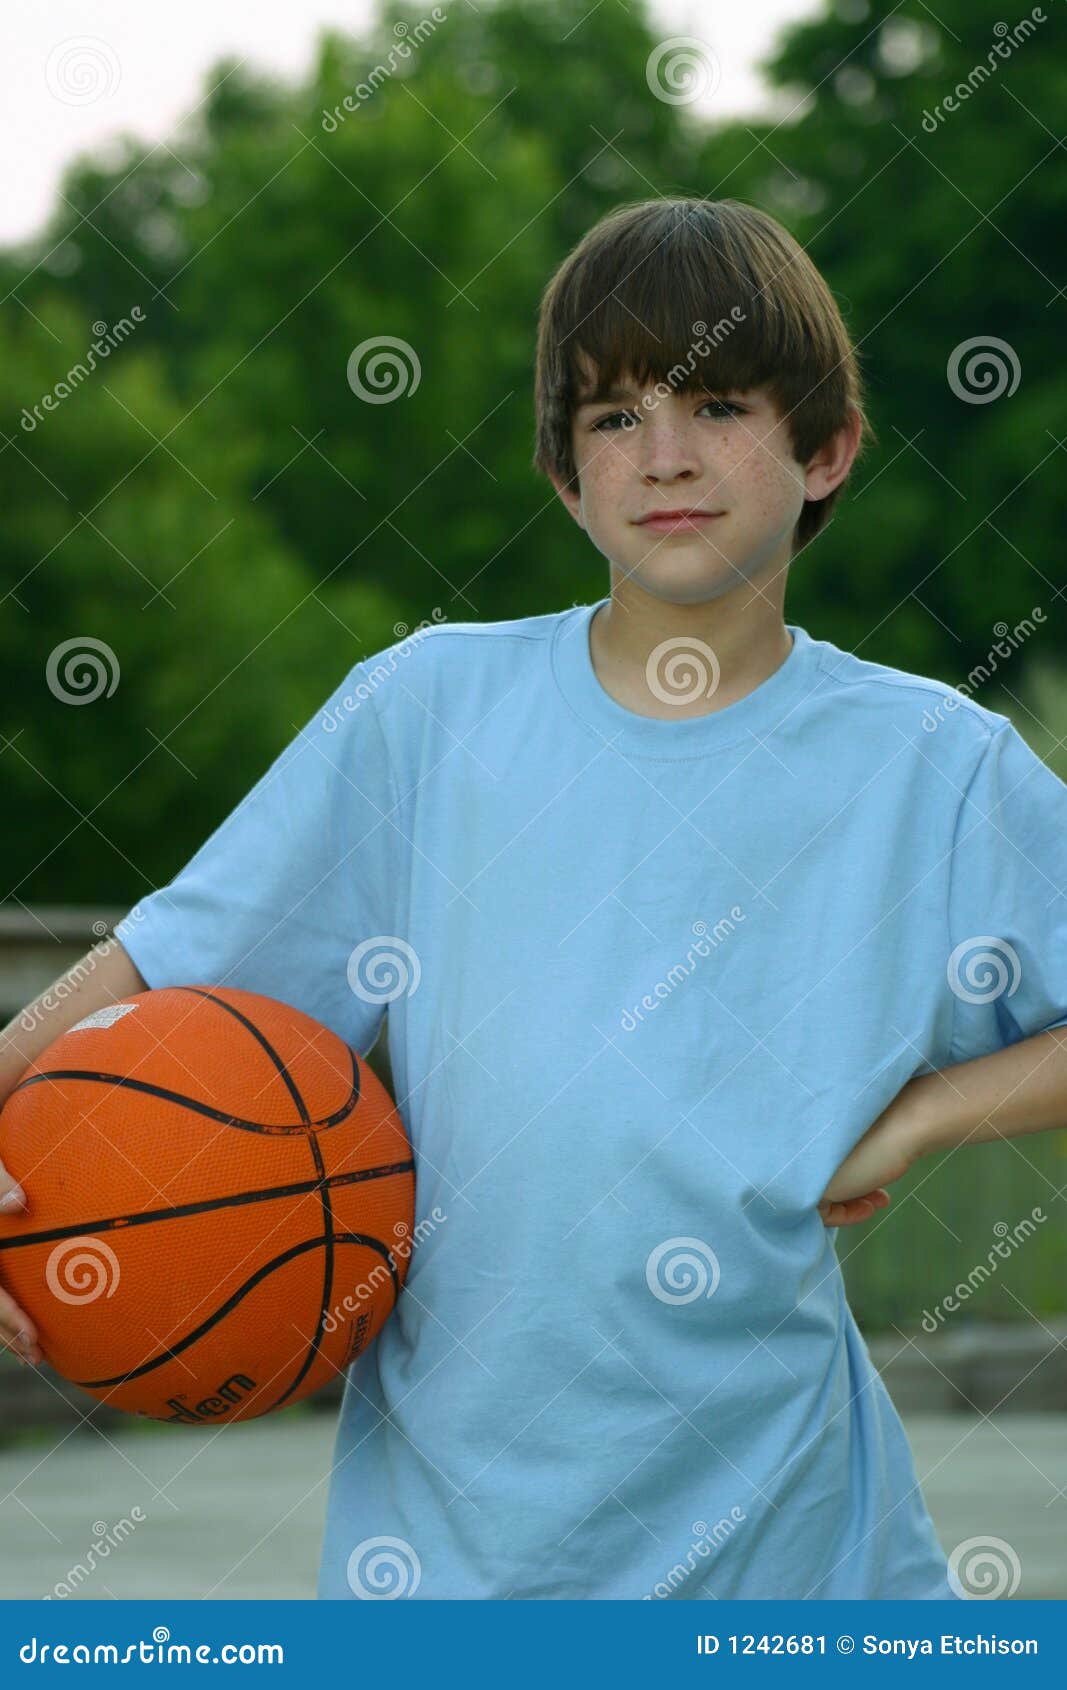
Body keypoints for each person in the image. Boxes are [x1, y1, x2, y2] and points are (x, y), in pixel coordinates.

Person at [3, 197, 1067, 1600]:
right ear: (565, 476)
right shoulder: (425, 713)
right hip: (455, 1573)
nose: (665, 454)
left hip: (805, 1574)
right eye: (612, 416)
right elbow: (161, 962)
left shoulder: (931, 767)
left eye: (719, 403)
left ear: (826, 448)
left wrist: (923, 1116)